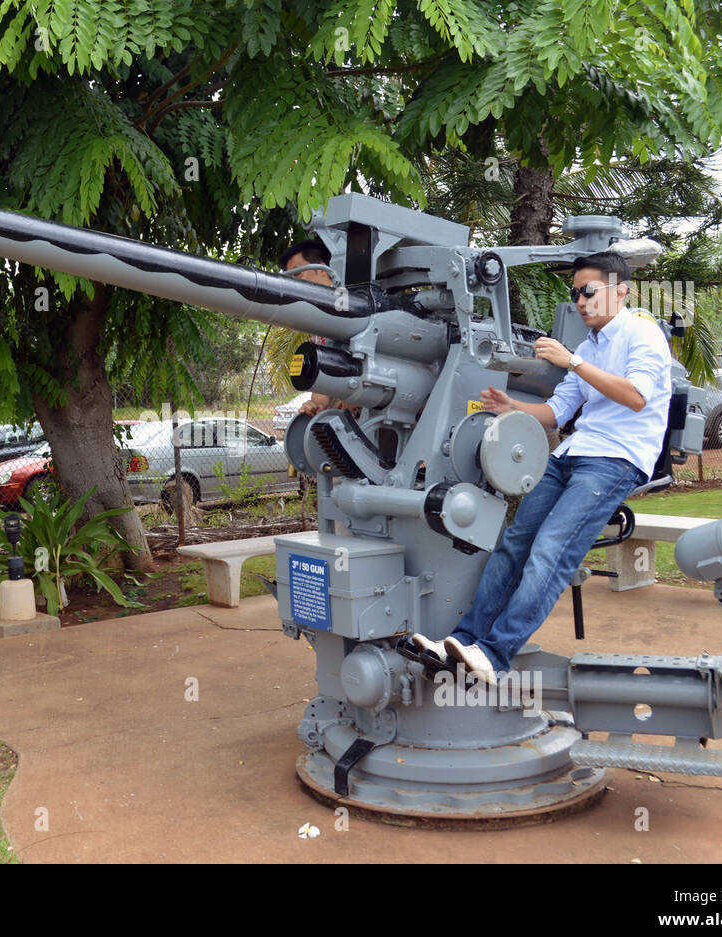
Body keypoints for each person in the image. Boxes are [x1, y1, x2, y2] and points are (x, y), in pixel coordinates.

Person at [411, 251, 672, 685]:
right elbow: (557, 409)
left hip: (616, 459)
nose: (581, 301)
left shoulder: (641, 335)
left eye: (589, 291)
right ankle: (463, 641)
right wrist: (513, 407)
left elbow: (637, 396)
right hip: (573, 454)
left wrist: (571, 361)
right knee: (514, 543)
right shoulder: (590, 348)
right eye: (576, 293)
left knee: (550, 549)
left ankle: (494, 655)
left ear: (621, 291)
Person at [276, 239, 357, 418]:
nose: (294, 284)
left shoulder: (353, 303)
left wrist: (359, 398)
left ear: (321, 269)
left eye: (298, 275)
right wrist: (313, 406)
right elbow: (324, 385)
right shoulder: (319, 323)